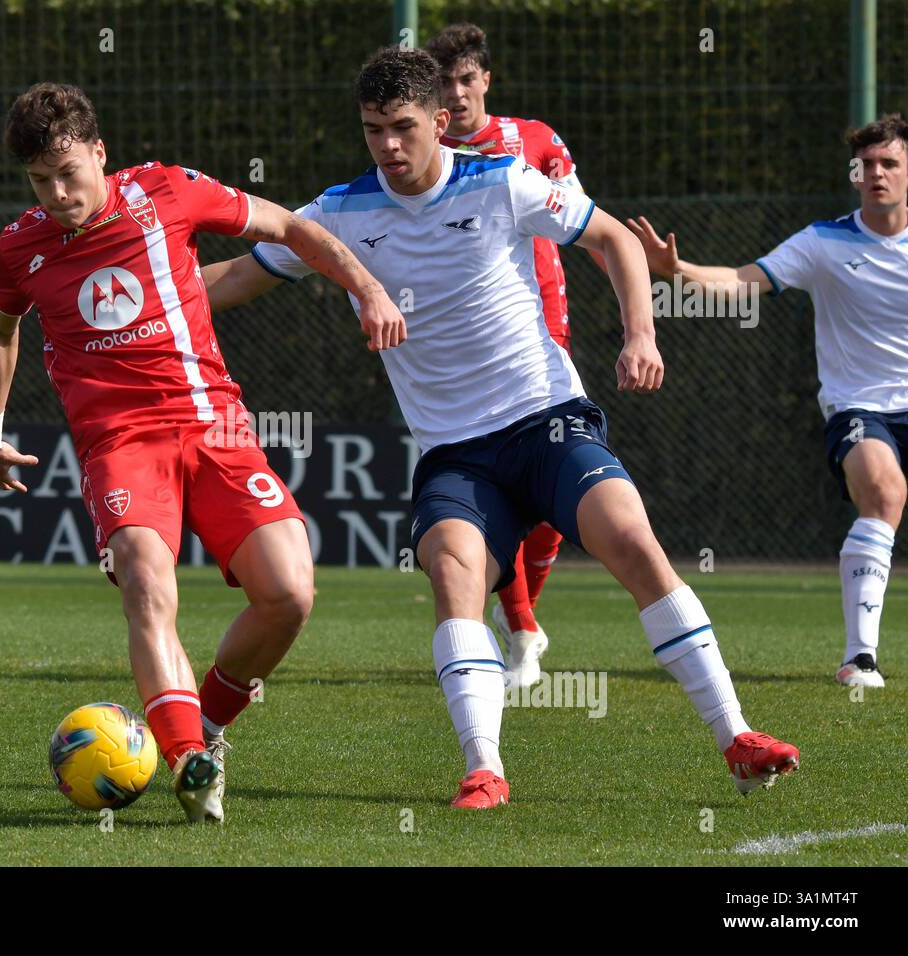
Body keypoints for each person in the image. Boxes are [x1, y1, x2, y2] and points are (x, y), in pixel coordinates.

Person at [202, 48, 799, 808]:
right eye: (373, 129)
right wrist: (134, 304)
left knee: (632, 539)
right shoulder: (338, 212)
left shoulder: (501, 182)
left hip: (545, 420)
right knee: (455, 576)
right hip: (456, 455)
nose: (388, 145)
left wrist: (640, 334)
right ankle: (483, 768)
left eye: (403, 127)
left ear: (441, 122)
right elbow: (240, 276)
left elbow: (612, 238)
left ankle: (737, 737)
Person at [0, 82, 406, 822]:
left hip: (216, 426)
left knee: (290, 593)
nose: (57, 193)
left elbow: (289, 228)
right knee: (148, 583)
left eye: (69, 173)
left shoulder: (167, 192)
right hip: (119, 446)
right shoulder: (19, 248)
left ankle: (204, 725)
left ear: (99, 153)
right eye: (40, 181)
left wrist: (366, 286)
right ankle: (185, 760)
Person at [628, 113, 908, 689]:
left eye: (890, 164)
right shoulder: (823, 242)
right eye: (867, 165)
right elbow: (739, 280)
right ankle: (861, 659)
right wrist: (675, 269)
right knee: (883, 490)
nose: (877, 174)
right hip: (862, 409)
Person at [425, 23, 610, 686]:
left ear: (485, 81)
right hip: (459, 344)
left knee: (555, 500)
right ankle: (524, 630)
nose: (457, 92)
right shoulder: (420, 154)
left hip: (544, 328)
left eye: (466, 79)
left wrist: (639, 302)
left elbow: (588, 220)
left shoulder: (535, 141)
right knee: (494, 491)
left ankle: (521, 621)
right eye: (444, 82)